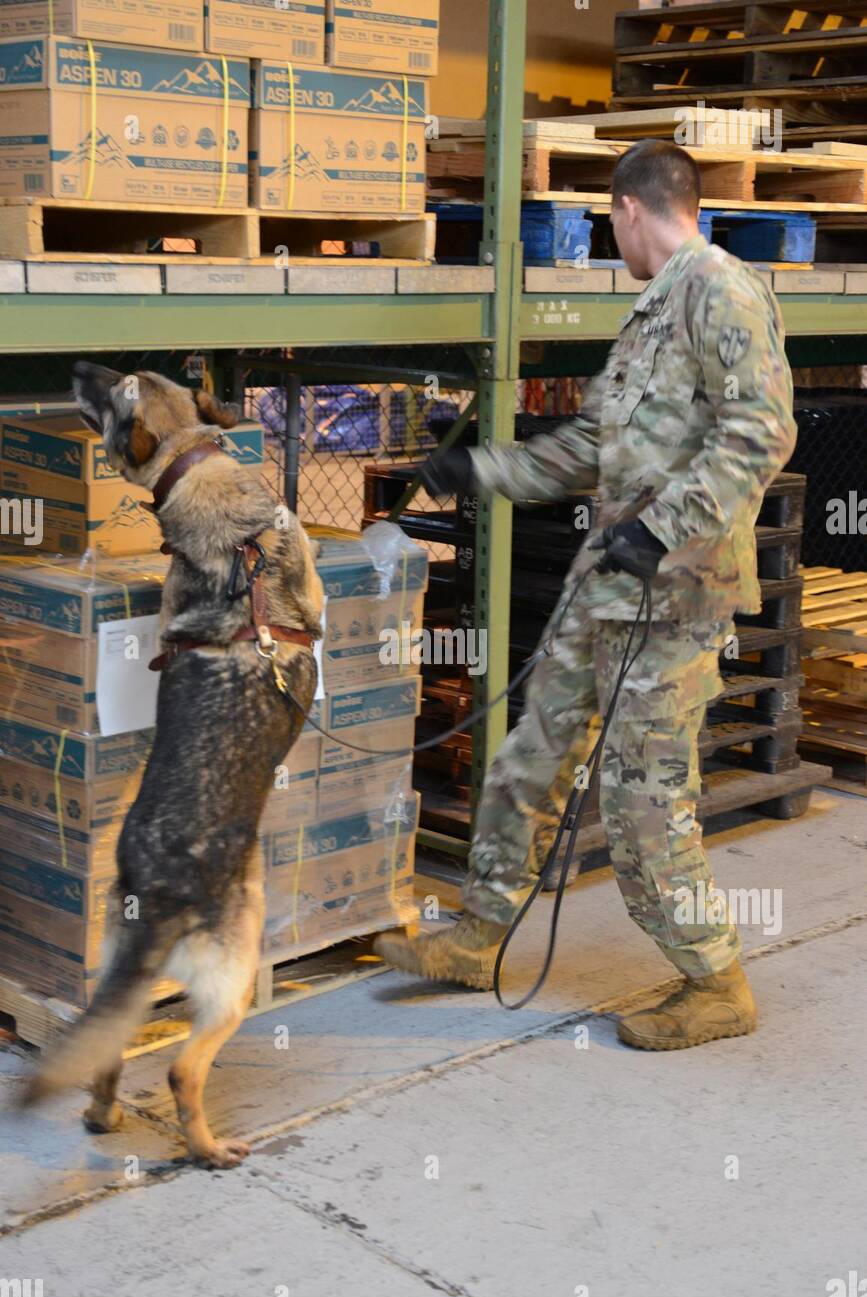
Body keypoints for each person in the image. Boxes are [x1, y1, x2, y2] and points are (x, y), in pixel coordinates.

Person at [375, 139, 797, 1050]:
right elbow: (589, 445)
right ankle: (481, 935)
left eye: (611, 228)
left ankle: (713, 979)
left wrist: (662, 526)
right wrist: (477, 468)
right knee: (530, 752)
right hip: (606, 583)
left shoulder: (719, 288)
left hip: (675, 593)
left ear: (628, 211)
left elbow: (762, 430)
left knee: (642, 795)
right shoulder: (649, 316)